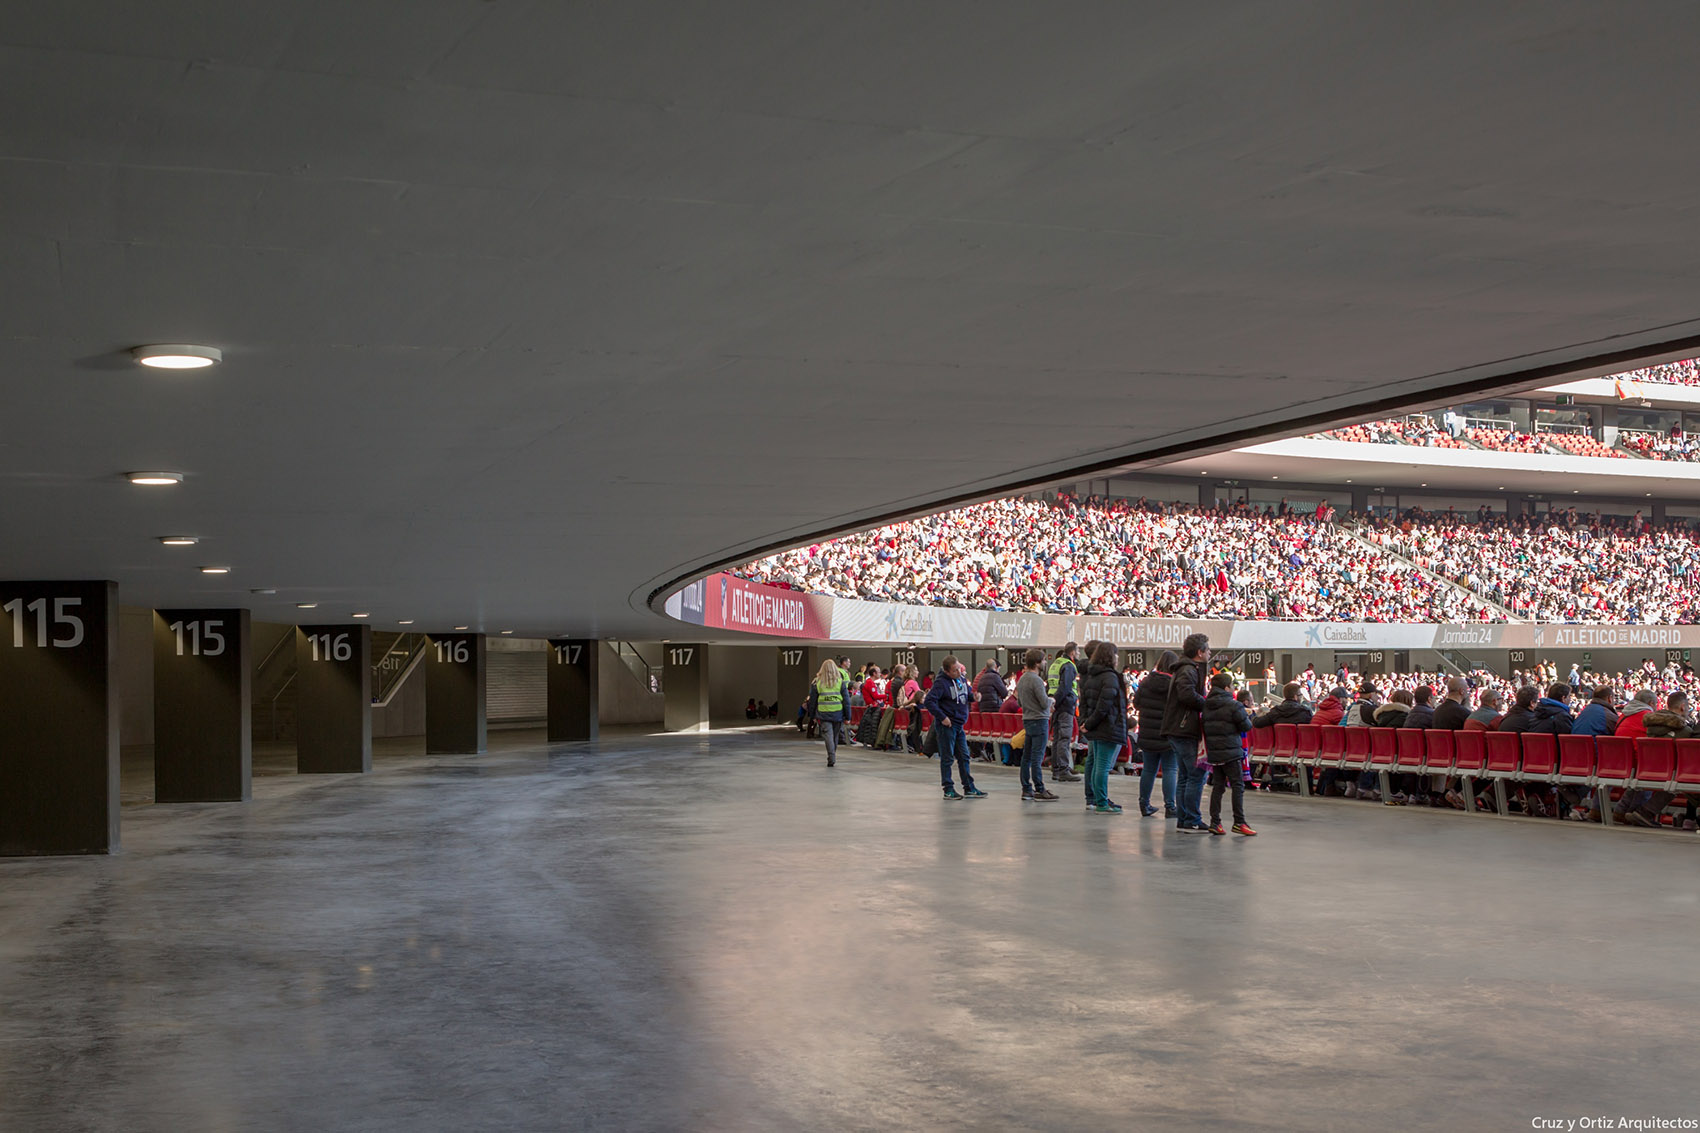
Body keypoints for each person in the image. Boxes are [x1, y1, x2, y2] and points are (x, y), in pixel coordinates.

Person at [1161, 633, 1212, 832]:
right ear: (1200, 652)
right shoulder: (1189, 670)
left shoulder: (1185, 669)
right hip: (1184, 728)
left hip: (1177, 728)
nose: (1210, 653)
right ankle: (1192, 818)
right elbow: (1186, 694)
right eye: (1208, 650)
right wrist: (1206, 704)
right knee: (1196, 774)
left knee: (1185, 776)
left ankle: (1184, 818)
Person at [923, 656, 985, 800]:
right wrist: (942, 717)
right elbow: (929, 701)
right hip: (947, 725)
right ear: (947, 671)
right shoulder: (941, 683)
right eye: (955, 670)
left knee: (964, 756)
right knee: (947, 757)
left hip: (959, 724)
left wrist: (975, 697)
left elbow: (967, 695)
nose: (958, 672)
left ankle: (969, 787)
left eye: (959, 669)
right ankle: (948, 789)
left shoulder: (961, 679)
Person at [1077, 641, 1128, 813]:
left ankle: (1095, 798)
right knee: (1103, 767)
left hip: (1095, 727)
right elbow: (1104, 706)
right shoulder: (1110, 677)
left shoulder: (1091, 676)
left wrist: (1085, 723)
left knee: (1095, 764)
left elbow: (1084, 702)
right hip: (1108, 727)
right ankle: (1101, 802)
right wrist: (1089, 723)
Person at [1204, 671, 1257, 835]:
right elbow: (1246, 726)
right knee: (1237, 785)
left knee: (1218, 786)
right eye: (1232, 686)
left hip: (1214, 751)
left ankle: (1215, 822)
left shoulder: (1206, 705)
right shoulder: (1234, 705)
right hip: (1231, 750)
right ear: (1227, 688)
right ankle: (1239, 822)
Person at [1134, 650, 1179, 818]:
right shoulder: (1174, 684)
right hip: (1168, 734)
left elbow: (1136, 703)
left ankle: (1144, 804)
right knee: (1170, 770)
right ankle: (1170, 807)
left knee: (1149, 770)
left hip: (1147, 733)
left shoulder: (1146, 682)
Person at [1015, 648, 1057, 802]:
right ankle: (1039, 788)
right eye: (1044, 660)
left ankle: (1026, 789)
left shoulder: (1022, 679)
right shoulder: (1036, 680)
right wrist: (1052, 700)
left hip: (1027, 719)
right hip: (1039, 720)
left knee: (1026, 757)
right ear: (1038, 663)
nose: (1045, 663)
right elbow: (1044, 703)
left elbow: (1020, 702)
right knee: (1037, 757)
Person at [1046, 643, 1083, 782]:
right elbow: (1065, 687)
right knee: (1064, 738)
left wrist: (1053, 702)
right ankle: (1063, 769)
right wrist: (1056, 701)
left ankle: (1056, 768)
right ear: (1072, 652)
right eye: (1078, 651)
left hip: (1056, 704)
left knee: (1057, 737)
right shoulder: (1069, 665)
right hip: (1065, 704)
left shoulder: (1055, 664)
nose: (1079, 654)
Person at [808, 658, 846, 768]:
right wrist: (848, 716)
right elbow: (846, 700)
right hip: (837, 713)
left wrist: (812, 715)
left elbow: (812, 701)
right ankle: (832, 754)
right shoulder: (840, 682)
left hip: (823, 713)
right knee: (835, 736)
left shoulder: (817, 682)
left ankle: (831, 756)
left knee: (828, 735)